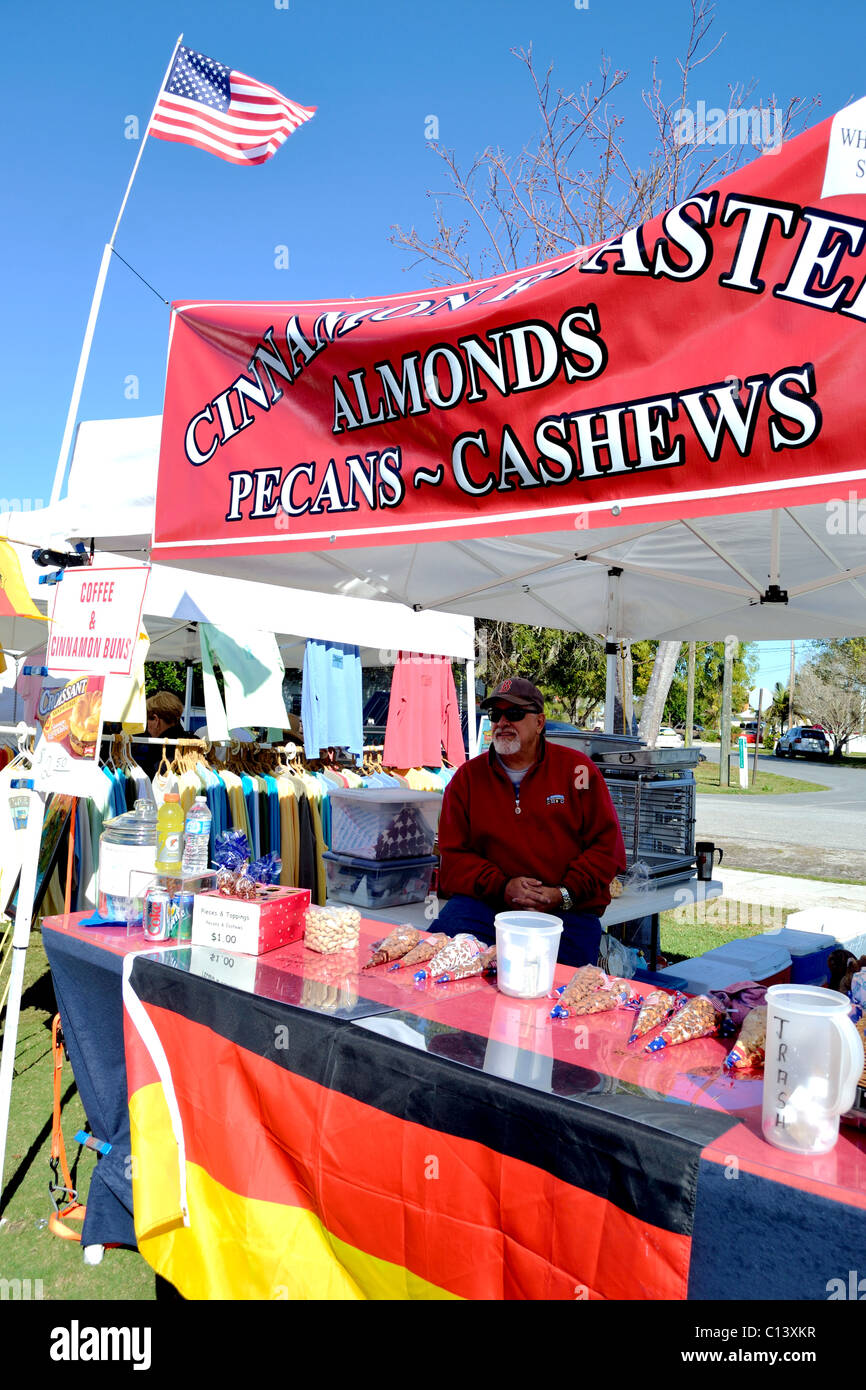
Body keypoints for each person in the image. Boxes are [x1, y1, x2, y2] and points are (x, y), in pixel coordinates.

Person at [436, 677, 626, 967]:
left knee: (561, 997)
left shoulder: (578, 770)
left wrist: (561, 894)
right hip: (485, 908)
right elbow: (453, 857)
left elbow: (607, 849)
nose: (502, 722)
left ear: (539, 722)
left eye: (514, 714)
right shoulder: (467, 779)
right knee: (438, 967)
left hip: (566, 912)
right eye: (495, 715)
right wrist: (502, 887)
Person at [139, 691, 188, 780]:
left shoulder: (158, 750)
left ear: (156, 720)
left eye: (147, 720)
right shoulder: (192, 742)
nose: (146, 726)